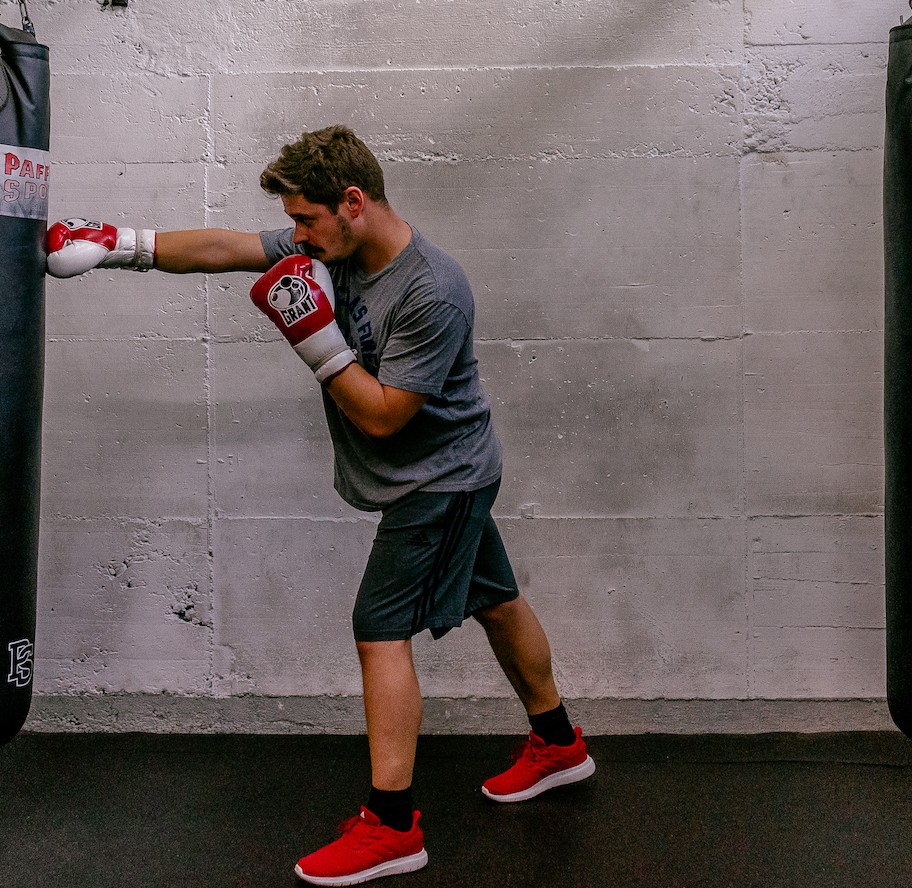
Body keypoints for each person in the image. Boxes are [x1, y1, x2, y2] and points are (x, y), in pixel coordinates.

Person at [46, 125, 594, 885]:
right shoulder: (335, 245)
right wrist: (118, 243)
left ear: (354, 203)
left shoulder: (432, 290)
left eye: (306, 221)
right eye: (294, 222)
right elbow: (228, 249)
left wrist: (317, 340)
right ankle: (560, 745)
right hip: (439, 476)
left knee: (379, 630)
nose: (295, 237)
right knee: (496, 601)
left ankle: (394, 825)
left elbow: (383, 416)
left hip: (437, 481)